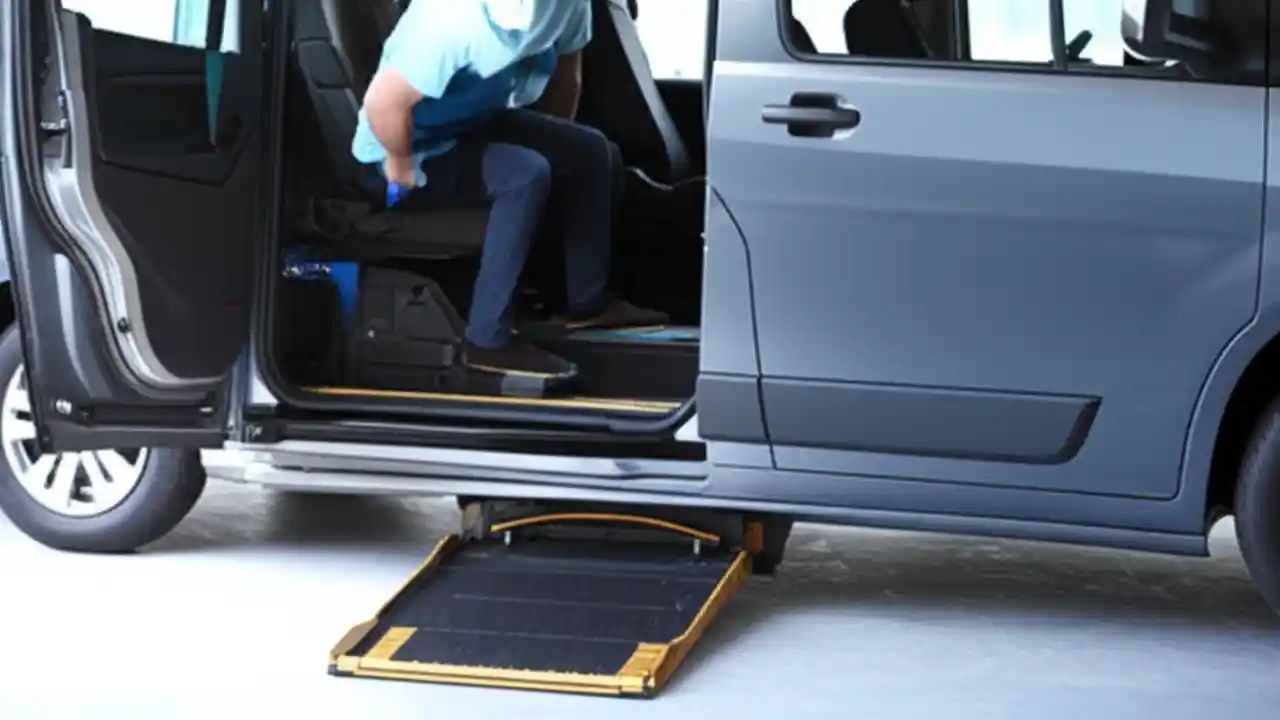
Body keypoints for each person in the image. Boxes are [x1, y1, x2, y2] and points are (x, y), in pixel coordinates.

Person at [352, 0, 667, 378]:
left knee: (590, 151)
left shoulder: (569, 6)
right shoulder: (452, 20)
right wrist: (401, 168)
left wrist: (553, 144)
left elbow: (567, 78)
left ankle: (588, 305)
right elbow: (384, 104)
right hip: (402, 147)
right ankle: (487, 341)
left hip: (471, 121)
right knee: (525, 174)